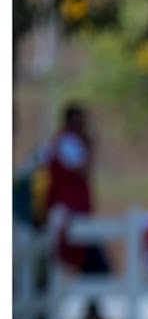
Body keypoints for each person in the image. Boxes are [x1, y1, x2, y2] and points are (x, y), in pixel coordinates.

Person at [43, 103, 109, 274]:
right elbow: (81, 170)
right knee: (94, 264)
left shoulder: (66, 140)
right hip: (69, 211)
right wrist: (90, 146)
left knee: (92, 264)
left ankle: (92, 299)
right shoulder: (67, 141)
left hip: (75, 210)